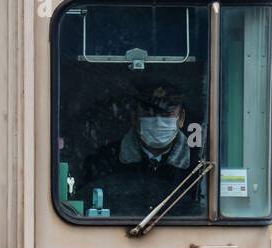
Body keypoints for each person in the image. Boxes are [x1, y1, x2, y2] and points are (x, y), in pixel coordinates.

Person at [80, 84, 200, 217]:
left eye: (166, 114)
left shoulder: (198, 165)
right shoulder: (106, 161)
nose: (158, 121)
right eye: (149, 113)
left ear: (181, 118)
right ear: (134, 117)